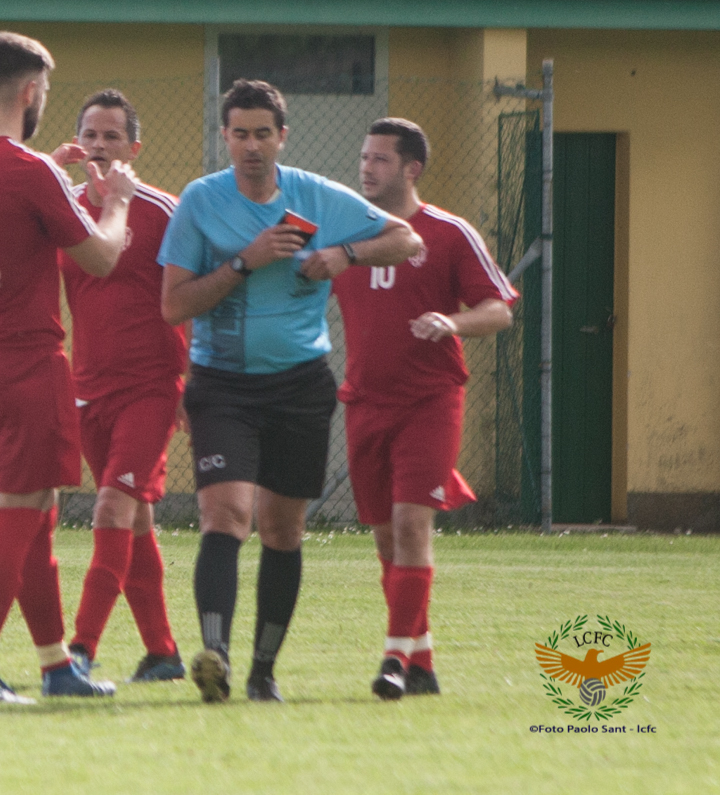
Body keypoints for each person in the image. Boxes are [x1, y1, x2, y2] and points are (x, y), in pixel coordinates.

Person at [159, 79, 421, 703]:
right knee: (225, 513)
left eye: (262, 133)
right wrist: (245, 261)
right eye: (240, 134)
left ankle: (262, 672)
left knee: (283, 529)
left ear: (282, 136)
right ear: (225, 137)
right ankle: (214, 657)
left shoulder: (316, 196)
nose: (252, 146)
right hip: (221, 383)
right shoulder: (200, 202)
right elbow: (173, 306)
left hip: (301, 385)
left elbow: (407, 238)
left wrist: (344, 255)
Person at [0, 32, 136, 704]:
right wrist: (119, 200)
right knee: (19, 515)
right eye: (44, 92)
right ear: (29, 93)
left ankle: (54, 664)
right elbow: (101, 258)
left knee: (36, 513)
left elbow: (2, 210)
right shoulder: (31, 171)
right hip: (25, 361)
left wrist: (48, 171)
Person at [333, 118, 517, 700]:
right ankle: (423, 662)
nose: (367, 167)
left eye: (381, 159)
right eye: (364, 157)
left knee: (413, 525)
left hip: (429, 402)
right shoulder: (343, 233)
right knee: (387, 539)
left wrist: (451, 321)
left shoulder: (448, 232)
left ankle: (392, 659)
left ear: (412, 169)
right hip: (363, 401)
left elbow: (500, 309)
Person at [52, 89, 188, 683]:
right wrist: (50, 172)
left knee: (111, 505)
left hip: (152, 386)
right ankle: (162, 653)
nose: (100, 146)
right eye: (91, 135)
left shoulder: (165, 211)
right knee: (133, 522)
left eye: (112, 136)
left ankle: (79, 649)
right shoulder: (63, 208)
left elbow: (195, 299)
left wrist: (192, 382)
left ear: (135, 147)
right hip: (87, 388)